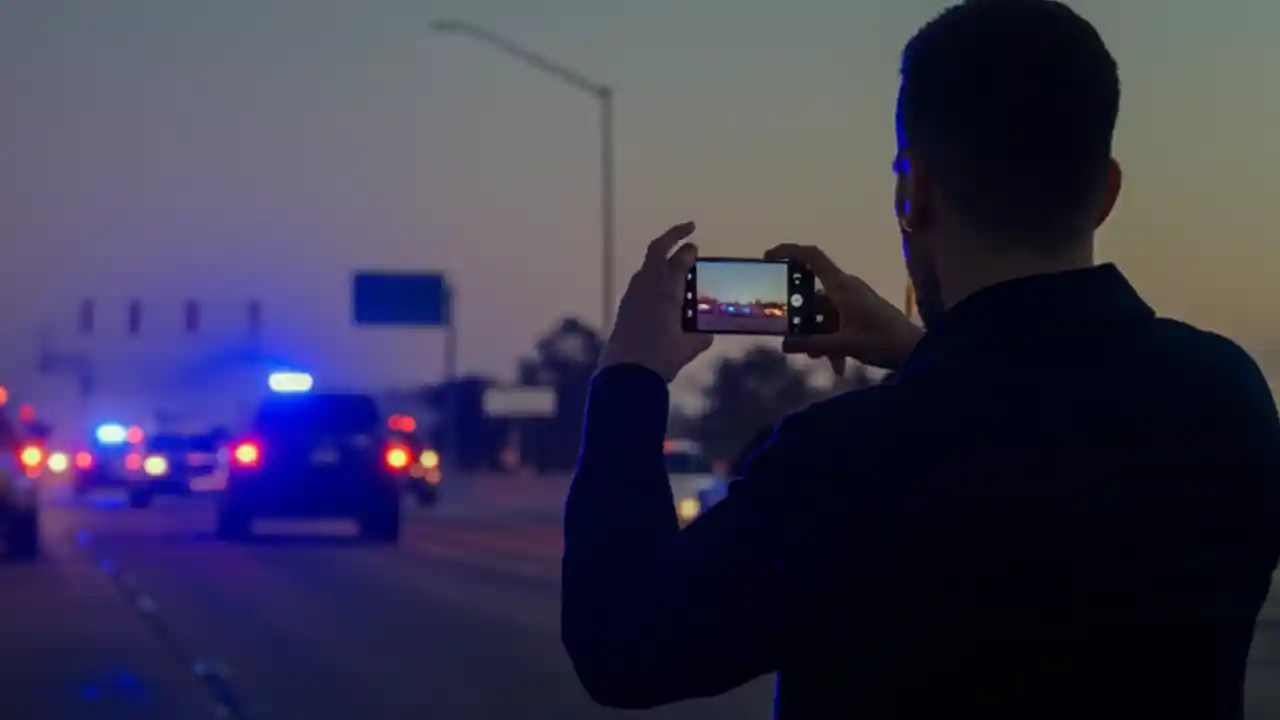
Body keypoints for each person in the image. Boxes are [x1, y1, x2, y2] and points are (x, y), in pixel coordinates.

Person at [562, 1, 1280, 717]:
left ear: (915, 190)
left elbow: (622, 642)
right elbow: (1042, 418)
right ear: (1106, 192)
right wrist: (925, 353)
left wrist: (629, 375)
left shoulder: (844, 462)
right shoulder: (1226, 399)